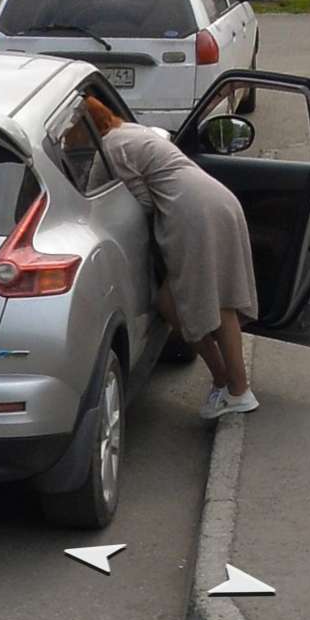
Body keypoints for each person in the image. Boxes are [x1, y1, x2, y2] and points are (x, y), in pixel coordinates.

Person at [80, 97, 259, 419]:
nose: (68, 139)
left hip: (192, 212)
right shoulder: (129, 131)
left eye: (71, 132)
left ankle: (236, 389)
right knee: (178, 301)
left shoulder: (109, 148)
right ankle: (226, 382)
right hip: (217, 200)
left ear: (86, 128)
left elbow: (141, 203)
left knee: (214, 303)